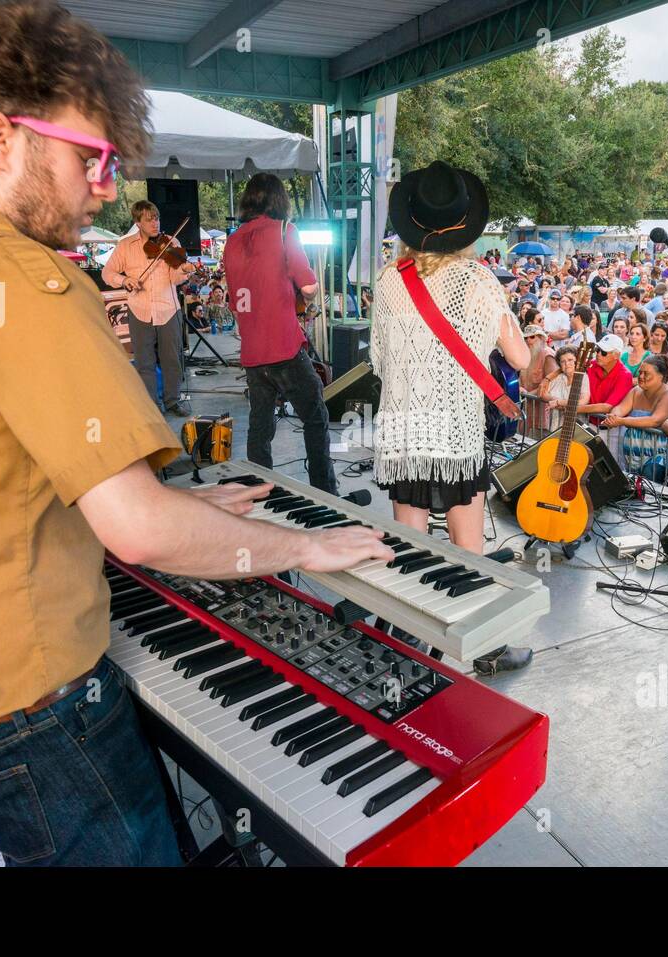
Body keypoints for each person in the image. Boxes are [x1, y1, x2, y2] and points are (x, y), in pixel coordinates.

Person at [0, 0, 391, 868]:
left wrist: (169, 499)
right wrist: (297, 545)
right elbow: (141, 532)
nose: (108, 186)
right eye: (91, 156)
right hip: (21, 707)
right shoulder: (12, 273)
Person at [372, 160, 532, 673]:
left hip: (402, 429)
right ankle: (483, 649)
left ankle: (409, 640)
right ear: (465, 225)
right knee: (469, 544)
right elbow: (522, 360)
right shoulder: (479, 280)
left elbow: (377, 359)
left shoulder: (389, 279)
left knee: (408, 543)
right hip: (455, 428)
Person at [223, 172, 337, 495]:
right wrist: (304, 294)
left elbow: (235, 303)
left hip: (252, 351)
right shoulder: (286, 231)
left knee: (260, 425)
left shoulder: (233, 240)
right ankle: (325, 492)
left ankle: (259, 490)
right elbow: (310, 287)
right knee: (315, 415)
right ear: (278, 199)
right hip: (284, 348)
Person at [103, 200, 197, 415]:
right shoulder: (125, 246)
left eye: (156, 218)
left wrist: (185, 270)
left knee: (172, 359)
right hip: (139, 309)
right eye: (149, 219)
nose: (155, 223)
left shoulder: (171, 243)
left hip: (168, 309)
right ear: (138, 222)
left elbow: (175, 279)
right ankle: (152, 405)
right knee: (145, 361)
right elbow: (107, 273)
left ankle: (173, 400)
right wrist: (124, 281)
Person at [604, 355, 668, 481]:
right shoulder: (636, 391)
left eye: (646, 374)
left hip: (659, 456)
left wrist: (621, 421)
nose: (640, 377)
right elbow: (621, 408)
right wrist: (614, 415)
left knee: (650, 488)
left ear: (661, 376)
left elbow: (654, 420)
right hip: (633, 456)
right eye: (640, 372)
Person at [578, 332, 633, 462]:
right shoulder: (591, 364)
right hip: (588, 424)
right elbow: (570, 364)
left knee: (608, 465)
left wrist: (575, 409)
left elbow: (607, 407)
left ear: (616, 355)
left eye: (603, 352)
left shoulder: (625, 375)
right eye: (597, 350)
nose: (598, 354)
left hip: (611, 430)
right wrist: (548, 378)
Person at [539, 345, 592, 429]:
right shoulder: (557, 377)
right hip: (555, 425)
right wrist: (556, 400)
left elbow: (583, 401)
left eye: (570, 360)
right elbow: (543, 394)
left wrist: (558, 403)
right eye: (563, 361)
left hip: (575, 426)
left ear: (577, 361)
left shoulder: (583, 377)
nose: (567, 364)